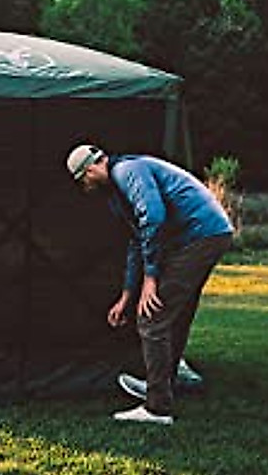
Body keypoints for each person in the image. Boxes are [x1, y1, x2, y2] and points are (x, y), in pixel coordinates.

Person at [66, 143, 234, 426]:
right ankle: (166, 381)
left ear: (92, 168)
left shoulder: (127, 170)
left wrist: (151, 278)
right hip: (207, 234)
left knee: (152, 317)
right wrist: (127, 295)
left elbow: (153, 217)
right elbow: (136, 241)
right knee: (174, 313)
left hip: (200, 235)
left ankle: (157, 407)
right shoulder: (117, 192)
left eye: (83, 179)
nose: (84, 186)